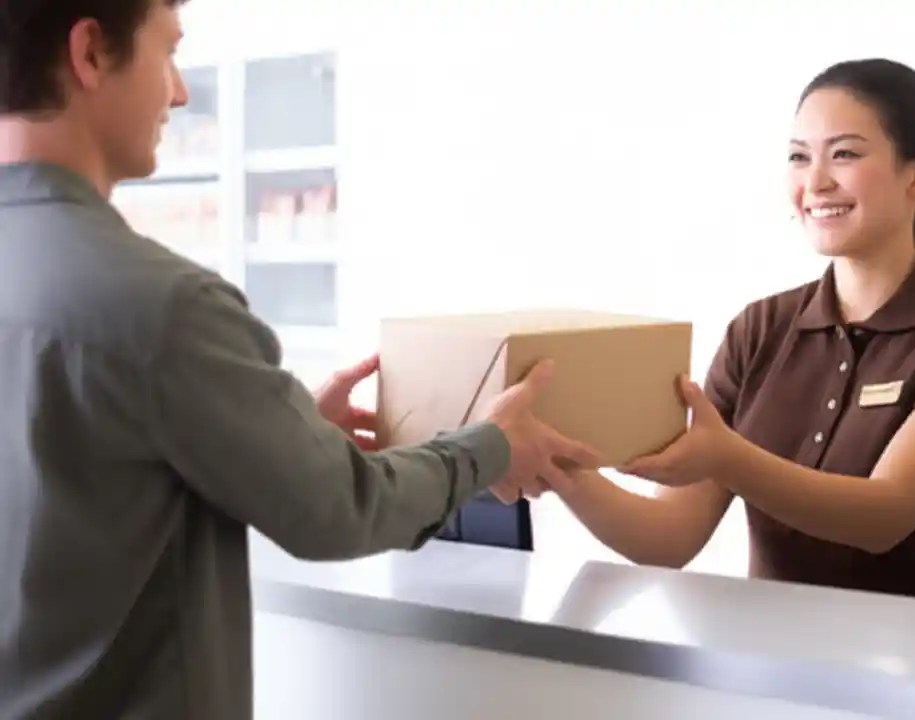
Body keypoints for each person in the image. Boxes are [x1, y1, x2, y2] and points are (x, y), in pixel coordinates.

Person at [0, 2, 599, 718]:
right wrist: (491, 449)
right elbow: (341, 510)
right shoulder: (165, 307)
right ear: (91, 52)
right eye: (168, 53)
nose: (180, 91)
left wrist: (272, 436)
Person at [557, 58, 915, 604]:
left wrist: (728, 457)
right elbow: (670, 537)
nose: (815, 182)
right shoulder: (759, 329)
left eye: (845, 154)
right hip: (773, 663)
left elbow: (886, 514)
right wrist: (561, 465)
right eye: (799, 157)